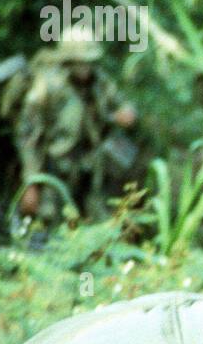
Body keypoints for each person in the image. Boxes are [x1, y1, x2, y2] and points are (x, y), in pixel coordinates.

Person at [12, 25, 139, 222]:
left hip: (91, 167)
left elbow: (122, 104)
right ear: (68, 61)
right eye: (81, 63)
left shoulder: (99, 82)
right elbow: (28, 138)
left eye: (89, 62)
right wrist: (32, 183)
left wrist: (125, 113)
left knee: (98, 223)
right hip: (55, 170)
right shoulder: (47, 89)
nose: (86, 69)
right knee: (49, 224)